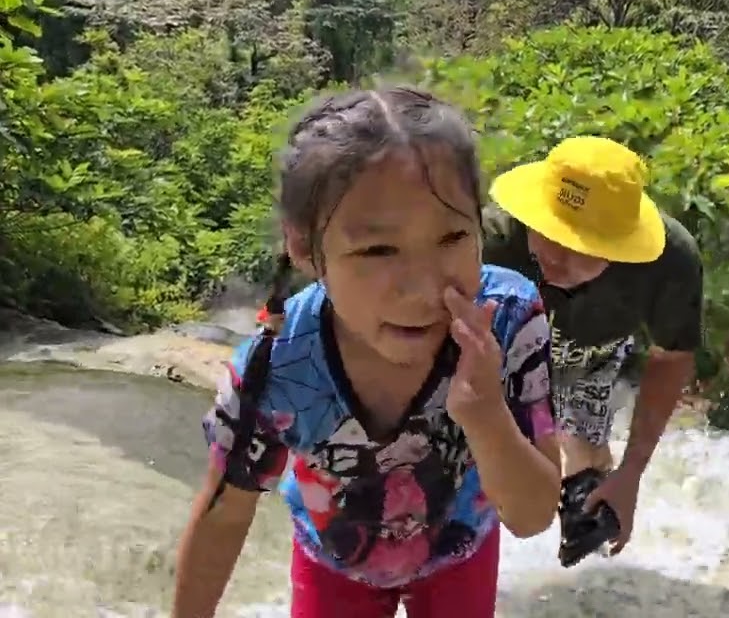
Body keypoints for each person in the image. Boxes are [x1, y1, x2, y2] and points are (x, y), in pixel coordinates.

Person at [170, 87, 561, 618]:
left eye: (451, 238)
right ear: (306, 248)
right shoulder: (274, 369)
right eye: (378, 249)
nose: (423, 289)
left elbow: (533, 516)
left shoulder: (510, 322)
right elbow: (224, 516)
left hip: (458, 553)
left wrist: (485, 413)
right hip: (335, 564)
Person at [482, 136, 704, 556]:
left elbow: (671, 357)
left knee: (580, 453)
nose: (556, 257)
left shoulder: (667, 263)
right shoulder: (489, 239)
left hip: (594, 345)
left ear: (621, 250)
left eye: (581, 247)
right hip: (502, 339)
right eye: (548, 232)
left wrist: (631, 475)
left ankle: (586, 487)